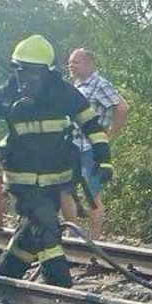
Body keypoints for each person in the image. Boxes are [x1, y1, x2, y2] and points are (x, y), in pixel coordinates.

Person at [0, 35, 111, 287]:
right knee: (47, 231)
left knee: (31, 235)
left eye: (33, 72)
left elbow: (91, 125)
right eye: (21, 70)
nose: (26, 77)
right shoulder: (6, 93)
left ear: (47, 72)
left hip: (56, 180)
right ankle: (61, 289)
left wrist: (104, 159)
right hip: (22, 180)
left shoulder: (64, 93)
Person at [59, 47, 128, 240]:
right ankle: (72, 234)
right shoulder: (74, 85)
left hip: (90, 149)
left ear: (89, 64)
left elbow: (122, 107)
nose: (71, 66)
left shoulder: (99, 84)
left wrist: (110, 135)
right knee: (65, 190)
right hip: (71, 147)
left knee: (91, 193)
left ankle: (95, 239)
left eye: (76, 62)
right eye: (70, 62)